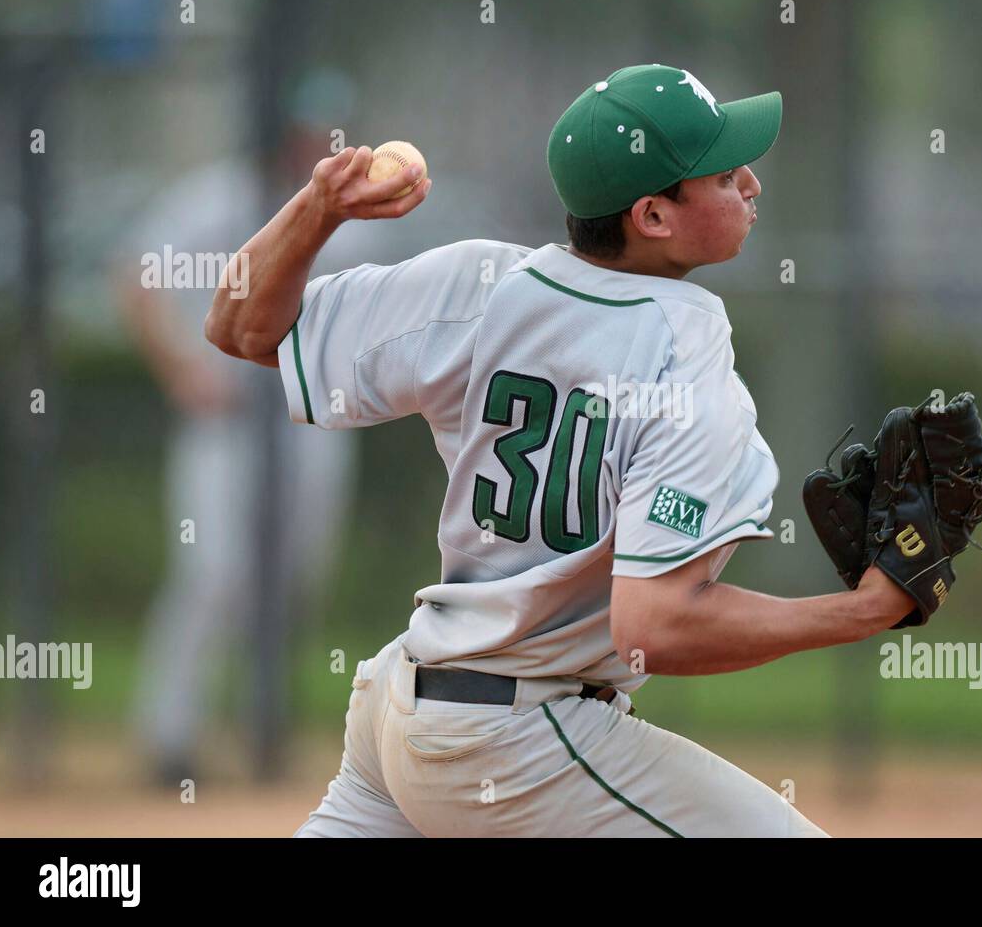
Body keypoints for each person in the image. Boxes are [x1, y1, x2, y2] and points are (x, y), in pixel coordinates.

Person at [205, 64, 914, 836]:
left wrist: (316, 207)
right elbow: (656, 627)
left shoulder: (479, 283)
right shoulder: (684, 355)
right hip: (517, 742)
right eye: (720, 174)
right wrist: (862, 612)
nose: (751, 183)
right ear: (652, 216)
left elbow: (240, 327)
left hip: (401, 708)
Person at [114, 71, 371, 783]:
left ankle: (266, 732)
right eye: (312, 129)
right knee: (214, 575)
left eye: (332, 129)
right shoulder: (220, 195)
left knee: (294, 578)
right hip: (226, 424)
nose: (324, 141)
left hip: (308, 425)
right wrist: (181, 371)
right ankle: (171, 738)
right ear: (281, 132)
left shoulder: (347, 216)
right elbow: (134, 278)